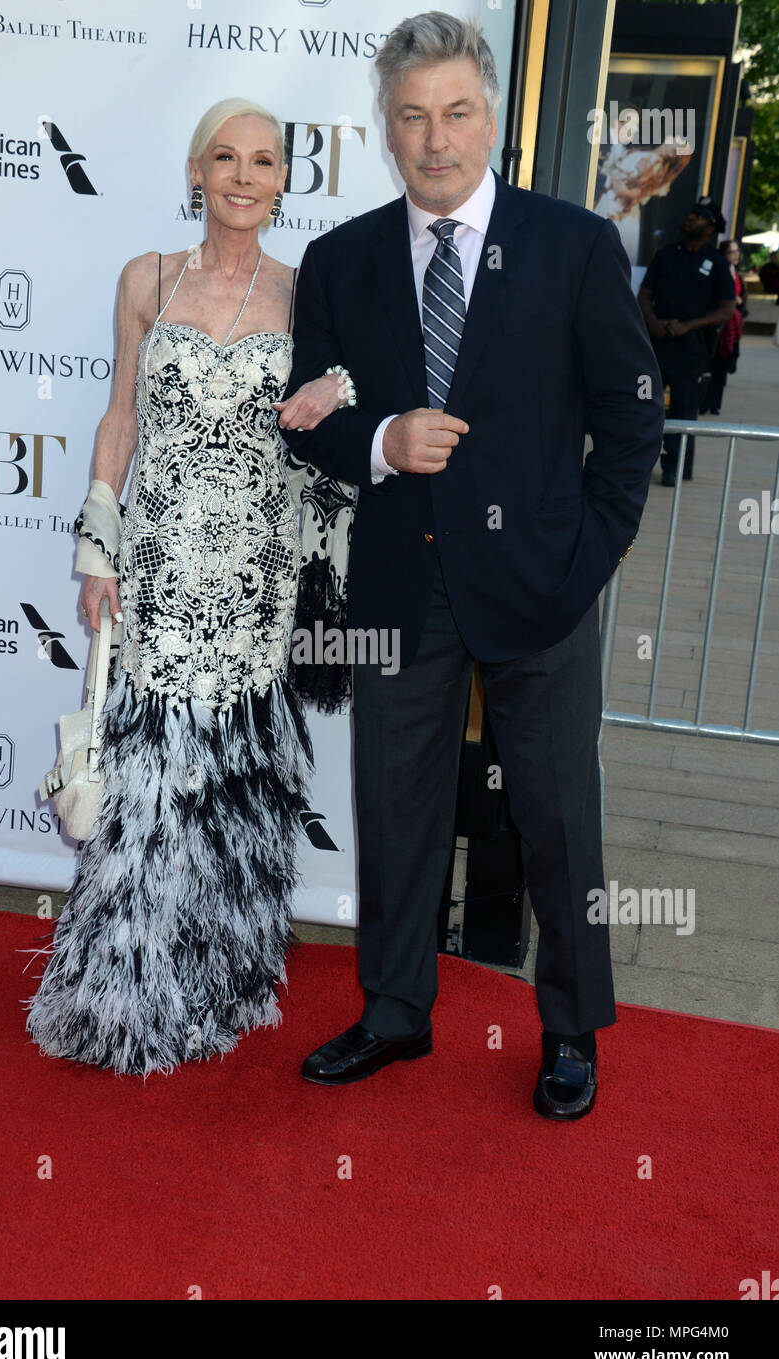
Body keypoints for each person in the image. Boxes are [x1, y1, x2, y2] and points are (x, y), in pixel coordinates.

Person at [280, 12, 665, 1120]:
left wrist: (587, 557)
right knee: (394, 808)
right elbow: (308, 420)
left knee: (556, 814)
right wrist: (381, 441)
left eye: (455, 112)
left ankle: (571, 1031)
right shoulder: (342, 259)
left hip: (542, 587)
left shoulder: (573, 247)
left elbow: (630, 420)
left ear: (490, 114)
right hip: (400, 585)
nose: (434, 138)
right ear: (386, 127)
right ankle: (393, 1013)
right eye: (412, 116)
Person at [25, 99, 348, 1077]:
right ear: (196, 170)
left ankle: (224, 979)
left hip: (253, 579)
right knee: (150, 780)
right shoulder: (148, 280)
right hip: (159, 570)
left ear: (284, 181)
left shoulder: (307, 294)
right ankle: (122, 995)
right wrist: (96, 552)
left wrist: (343, 392)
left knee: (232, 784)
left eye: (264, 161)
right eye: (226, 157)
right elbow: (119, 421)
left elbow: (351, 412)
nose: (244, 176)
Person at [638, 197, 735, 484]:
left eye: (699, 216)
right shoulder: (666, 254)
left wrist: (688, 326)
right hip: (656, 344)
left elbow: (727, 309)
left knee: (683, 410)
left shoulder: (717, 263)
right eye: (691, 213)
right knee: (645, 407)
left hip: (691, 349)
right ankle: (638, 465)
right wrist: (653, 322)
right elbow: (644, 295)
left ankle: (675, 469)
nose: (690, 218)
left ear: (711, 227)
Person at [702, 239, 746, 415]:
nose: (735, 255)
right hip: (716, 326)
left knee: (722, 367)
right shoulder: (719, 271)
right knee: (711, 365)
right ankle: (705, 402)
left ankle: (714, 404)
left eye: (737, 251)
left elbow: (741, 296)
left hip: (730, 327)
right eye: (731, 252)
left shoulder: (735, 273)